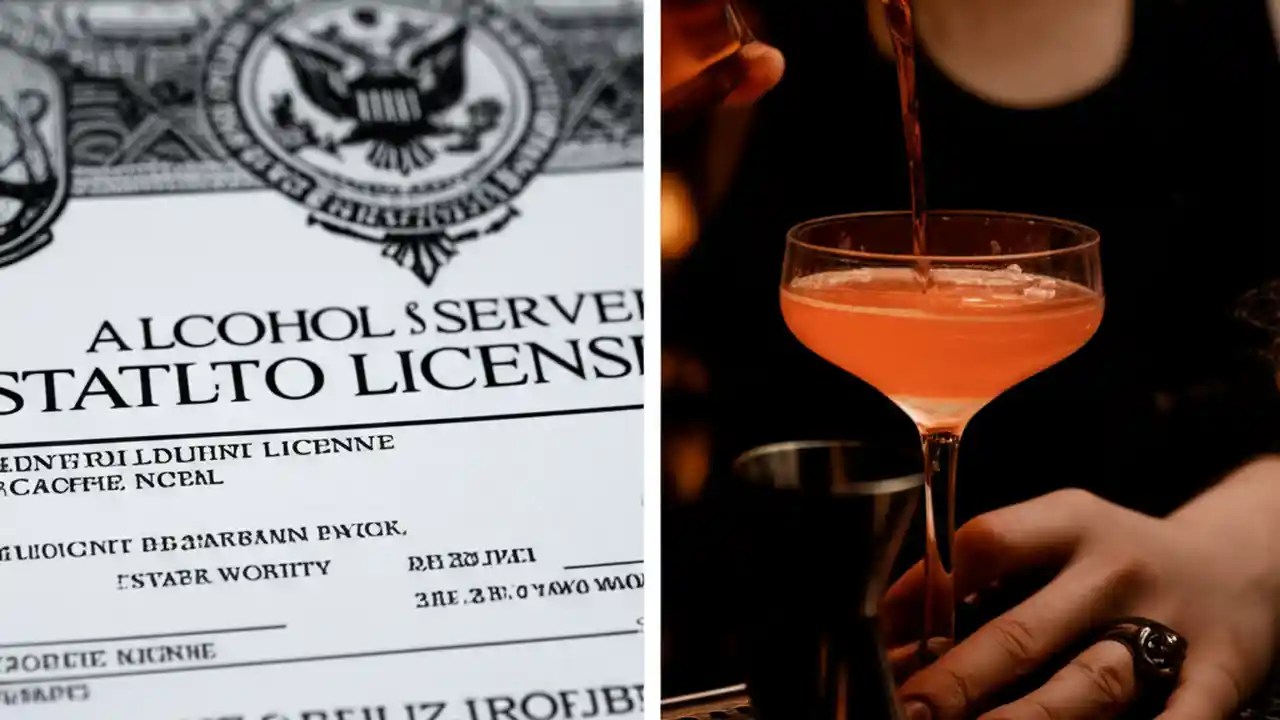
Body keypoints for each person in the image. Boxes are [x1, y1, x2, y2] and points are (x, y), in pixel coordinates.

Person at [661, 0, 1280, 716]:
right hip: (739, 668)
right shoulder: (723, 32)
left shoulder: (1222, 32)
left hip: (1130, 668)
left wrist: (1254, 547)